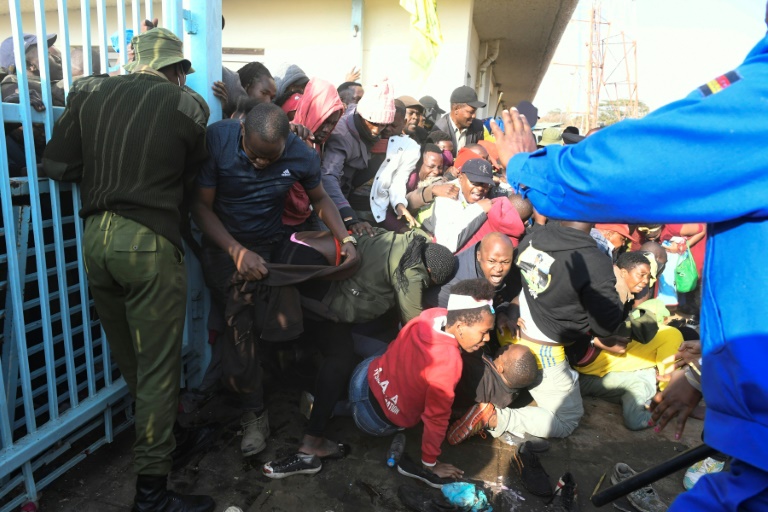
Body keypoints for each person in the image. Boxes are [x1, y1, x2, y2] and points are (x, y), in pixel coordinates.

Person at [491, 5, 768, 504]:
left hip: (547, 340)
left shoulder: (539, 237)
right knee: (578, 409)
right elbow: (634, 163)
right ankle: (499, 418)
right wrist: (527, 166)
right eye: (644, 275)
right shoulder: (595, 261)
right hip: (559, 352)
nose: (644, 282)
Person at [41, 28, 214, 512]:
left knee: (135, 364)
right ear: (175, 69)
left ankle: (171, 439)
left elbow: (55, 164)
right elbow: (192, 171)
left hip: (95, 241)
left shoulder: (91, 91)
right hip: (149, 243)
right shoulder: (187, 105)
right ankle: (152, 495)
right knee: (158, 371)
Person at [191, 103, 355, 459]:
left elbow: (320, 198)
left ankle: (291, 385)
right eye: (254, 155)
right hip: (224, 248)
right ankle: (254, 413)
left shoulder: (300, 153)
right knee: (241, 326)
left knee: (287, 316)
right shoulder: (218, 140)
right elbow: (201, 208)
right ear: (241, 134)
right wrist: (237, 252)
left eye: (271, 157)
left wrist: (346, 238)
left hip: (271, 245)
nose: (261, 164)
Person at [348, 279, 496, 488]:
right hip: (374, 422)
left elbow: (397, 343)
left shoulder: (433, 316)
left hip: (362, 379)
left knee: (393, 350)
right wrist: (430, 463)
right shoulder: (449, 363)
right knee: (425, 410)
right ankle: (342, 409)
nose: (488, 338)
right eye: (484, 332)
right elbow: (436, 418)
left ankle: (339, 399)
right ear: (461, 327)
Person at [320, 78, 395, 236]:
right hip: (327, 201)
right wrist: (349, 217)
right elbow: (328, 177)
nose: (376, 130)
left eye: (382, 125)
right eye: (373, 123)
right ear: (362, 115)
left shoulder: (369, 124)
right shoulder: (342, 134)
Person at [431, 86, 485, 157]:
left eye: (475, 111)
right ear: (456, 109)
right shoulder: (439, 130)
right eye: (471, 112)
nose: (474, 116)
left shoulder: (478, 127)